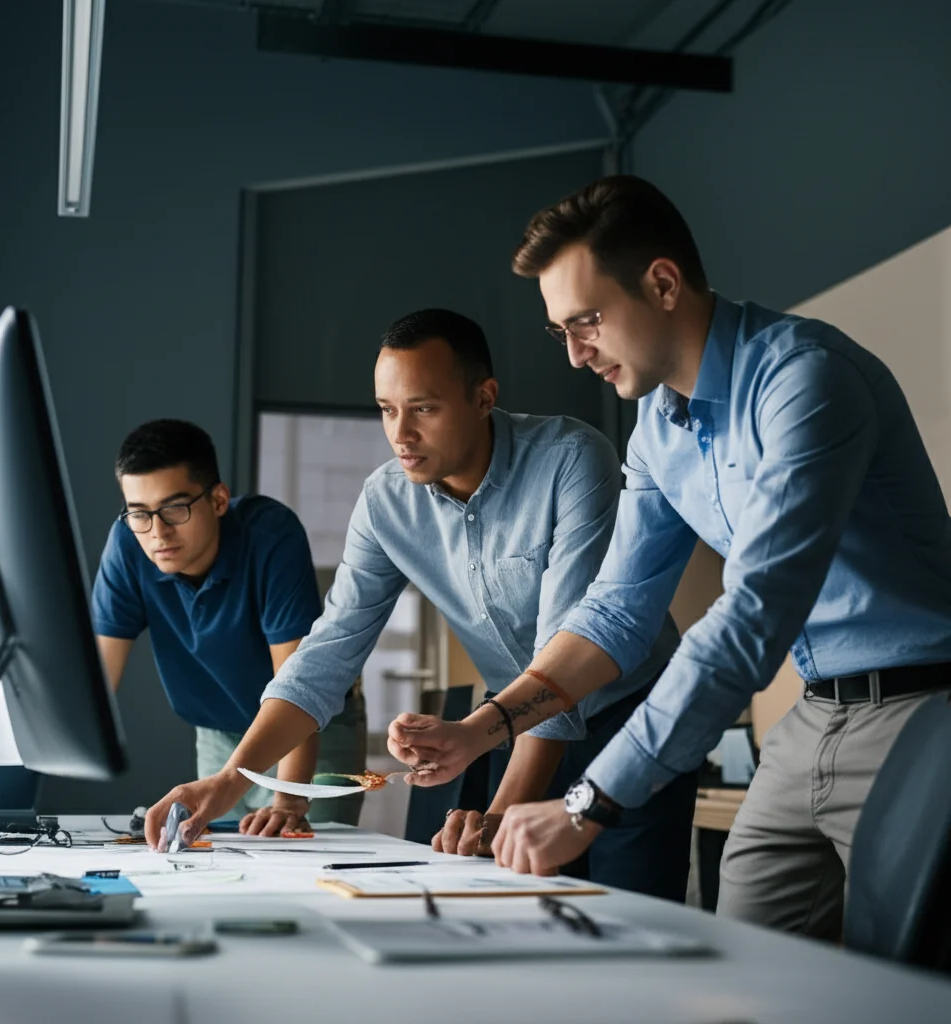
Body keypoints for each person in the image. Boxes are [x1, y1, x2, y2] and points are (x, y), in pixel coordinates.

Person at [387, 176, 951, 939]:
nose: (579, 355)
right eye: (562, 332)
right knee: (738, 967)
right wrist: (482, 729)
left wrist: (592, 799)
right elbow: (616, 611)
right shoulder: (658, 429)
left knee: (904, 983)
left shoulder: (804, 380)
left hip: (923, 717)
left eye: (586, 321)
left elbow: (755, 612)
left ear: (661, 283)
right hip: (813, 714)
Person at [143, 309, 693, 899]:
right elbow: (327, 652)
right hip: (505, 725)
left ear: (483, 398)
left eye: (423, 408)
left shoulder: (572, 459)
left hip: (630, 719)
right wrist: (231, 780)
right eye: (387, 409)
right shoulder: (385, 503)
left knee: (627, 920)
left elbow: (562, 653)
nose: (400, 434)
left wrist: (499, 815)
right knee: (511, 917)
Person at [92, 418, 367, 833]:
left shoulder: (271, 536)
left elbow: (302, 684)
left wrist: (289, 799)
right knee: (220, 867)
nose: (157, 532)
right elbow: (98, 685)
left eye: (175, 509)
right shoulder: (128, 544)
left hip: (311, 730)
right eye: (140, 514)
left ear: (218, 500)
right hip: (219, 735)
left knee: (302, 858)